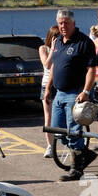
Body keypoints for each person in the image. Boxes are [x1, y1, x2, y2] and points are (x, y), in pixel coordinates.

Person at [48, 8, 98, 182]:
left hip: (75, 93)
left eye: (66, 23)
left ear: (73, 24)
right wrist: (48, 88)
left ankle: (76, 170)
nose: (63, 26)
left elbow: (92, 70)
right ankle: (86, 154)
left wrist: (85, 91)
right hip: (59, 93)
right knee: (57, 130)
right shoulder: (58, 42)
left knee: (73, 132)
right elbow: (55, 67)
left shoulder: (84, 42)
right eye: (60, 23)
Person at [38, 25, 60, 158]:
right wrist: (52, 49)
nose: (57, 39)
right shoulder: (43, 48)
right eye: (55, 37)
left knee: (64, 115)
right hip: (47, 84)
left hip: (61, 84)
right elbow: (47, 64)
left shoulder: (63, 48)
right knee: (48, 117)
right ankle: (50, 146)